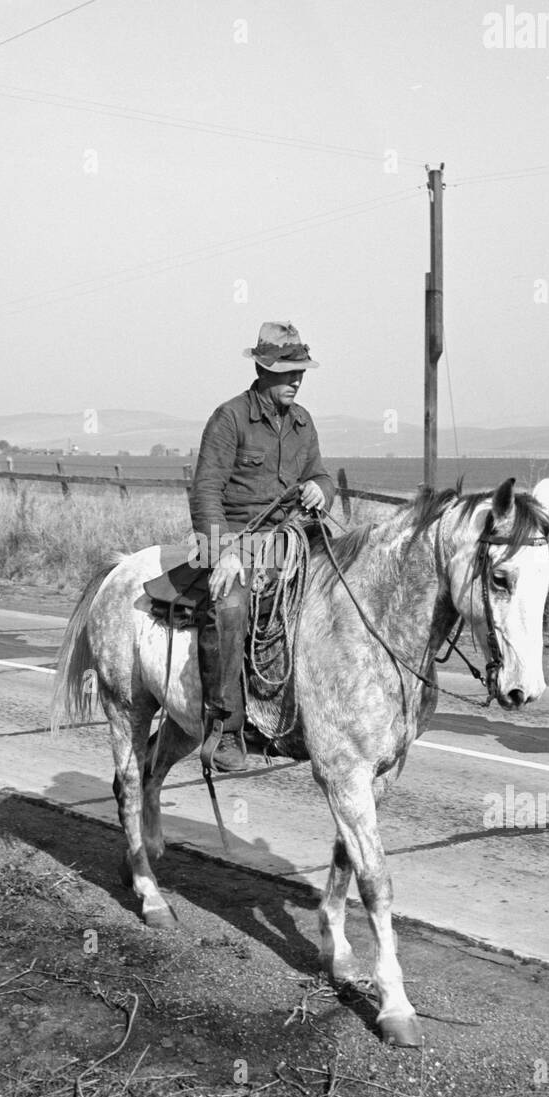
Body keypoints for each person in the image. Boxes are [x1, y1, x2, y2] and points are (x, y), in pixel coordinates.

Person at [190, 321, 335, 772]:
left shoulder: (302, 422)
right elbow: (205, 491)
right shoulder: (229, 417)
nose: (296, 379)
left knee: (342, 592)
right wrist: (224, 552)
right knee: (230, 608)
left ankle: (304, 714)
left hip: (292, 537)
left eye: (301, 372)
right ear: (262, 369)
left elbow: (321, 474)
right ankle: (226, 728)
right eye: (288, 371)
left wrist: (319, 491)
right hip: (237, 538)